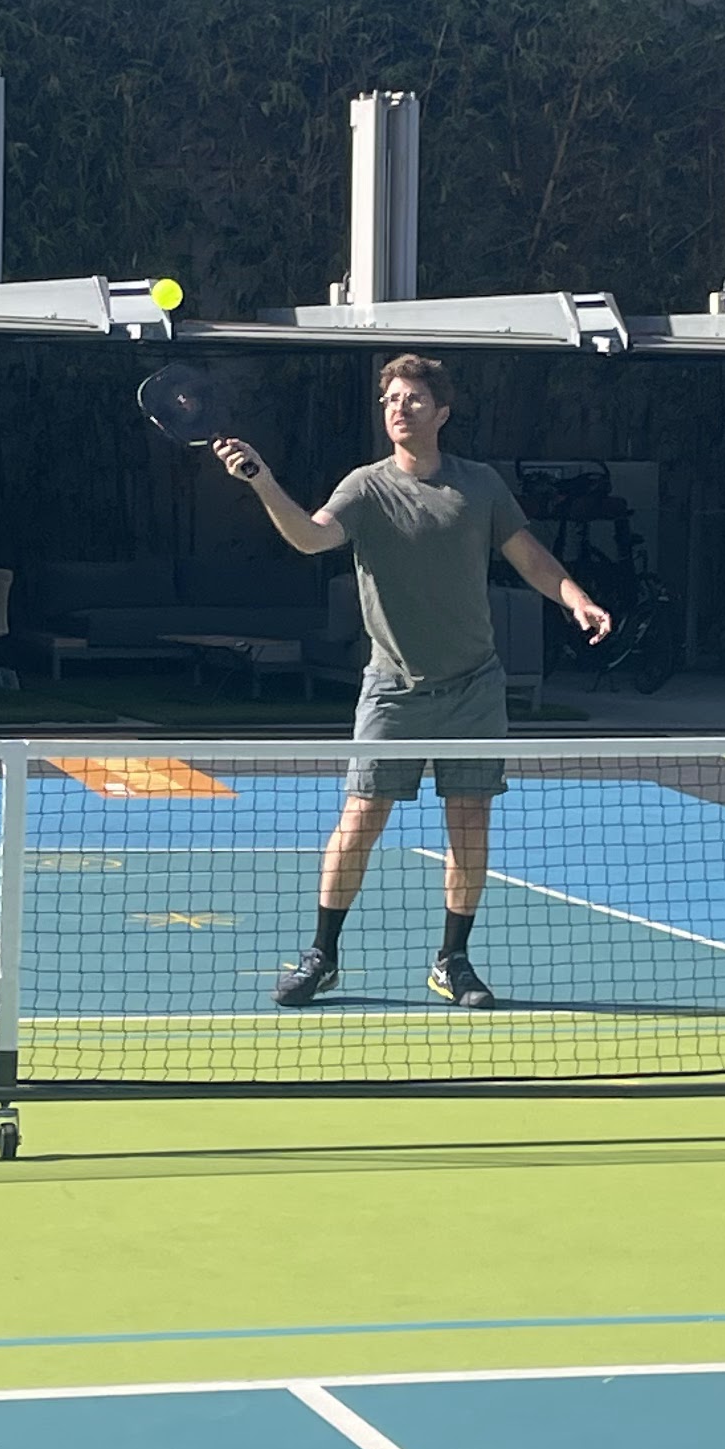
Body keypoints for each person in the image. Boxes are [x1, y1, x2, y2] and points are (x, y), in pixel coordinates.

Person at [213, 353, 613, 1007]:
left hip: (474, 687)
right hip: (393, 688)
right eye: (391, 399)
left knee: (469, 823)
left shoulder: (479, 485)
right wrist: (262, 482)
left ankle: (453, 961)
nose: (399, 408)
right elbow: (311, 541)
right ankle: (323, 954)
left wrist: (575, 597)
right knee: (361, 818)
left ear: (442, 413)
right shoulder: (365, 488)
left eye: (413, 400)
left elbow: (529, 556)